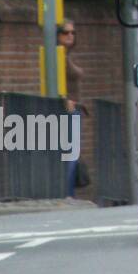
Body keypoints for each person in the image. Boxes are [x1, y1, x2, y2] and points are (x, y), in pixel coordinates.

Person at [58, 20, 89, 198]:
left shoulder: (66, 55)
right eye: (65, 32)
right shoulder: (58, 55)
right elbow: (52, 79)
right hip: (67, 111)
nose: (70, 35)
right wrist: (65, 100)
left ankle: (69, 194)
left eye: (73, 32)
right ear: (57, 36)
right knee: (70, 155)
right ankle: (67, 194)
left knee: (71, 154)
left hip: (75, 109)